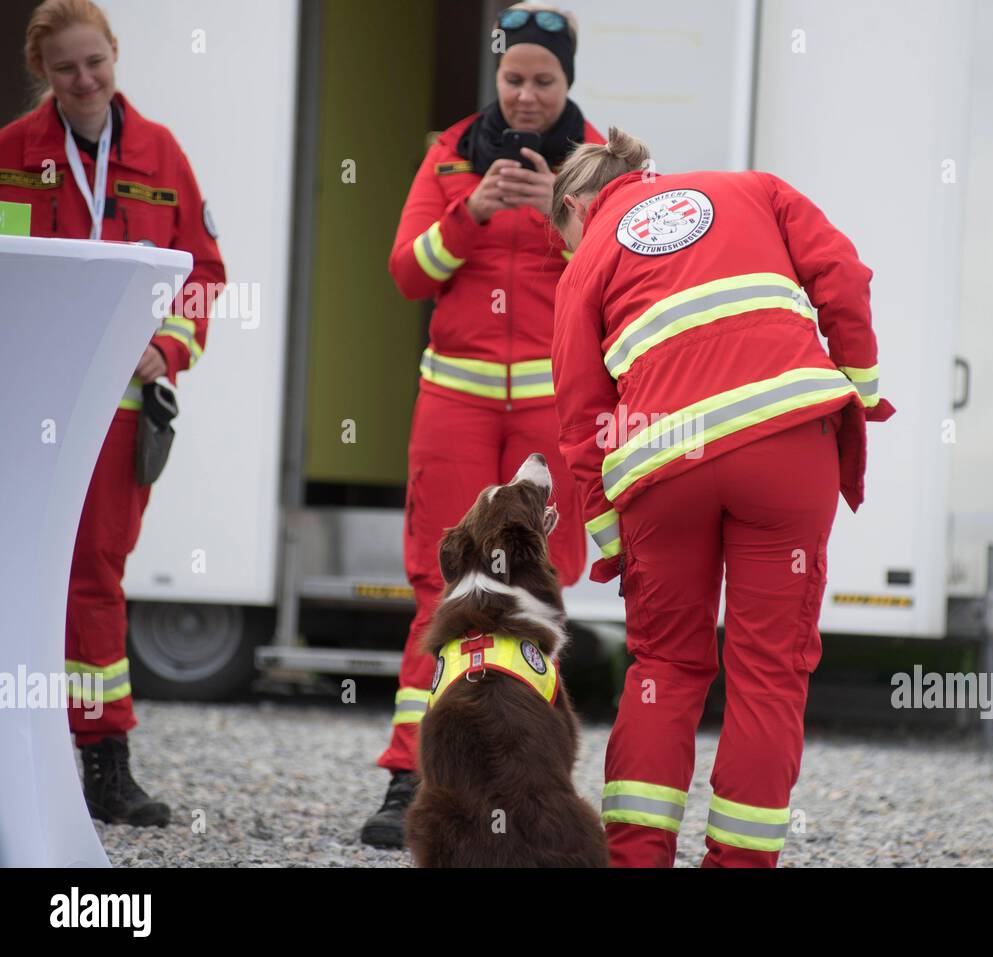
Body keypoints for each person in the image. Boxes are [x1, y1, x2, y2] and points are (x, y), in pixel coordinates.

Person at [549, 129, 896, 867]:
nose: (566, 255)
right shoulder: (754, 189)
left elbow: (582, 419)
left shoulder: (583, 270)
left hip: (664, 464)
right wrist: (859, 392)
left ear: (579, 205)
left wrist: (614, 537)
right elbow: (843, 276)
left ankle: (637, 857)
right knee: (768, 668)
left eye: (562, 238)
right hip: (786, 441)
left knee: (665, 668)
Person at [363, 3, 602, 848]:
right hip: (456, 399)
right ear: (493, 78)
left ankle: (530, 775)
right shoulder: (449, 155)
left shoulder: (596, 161)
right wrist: (469, 215)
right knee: (443, 589)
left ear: (568, 81)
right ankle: (411, 775)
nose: (527, 96)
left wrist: (556, 214)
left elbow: (618, 279)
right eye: (513, 79)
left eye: (544, 80)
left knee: (537, 592)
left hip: (551, 403)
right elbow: (405, 272)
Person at [0, 0, 225, 826]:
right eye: (65, 68)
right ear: (43, 74)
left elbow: (204, 272)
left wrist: (166, 350)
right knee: (15, 577)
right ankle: (19, 755)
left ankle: (103, 764)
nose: (84, 80)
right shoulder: (11, 156)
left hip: (120, 409)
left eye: (95, 62)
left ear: (114, 55)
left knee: (93, 579)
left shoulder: (161, 153)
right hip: (24, 408)